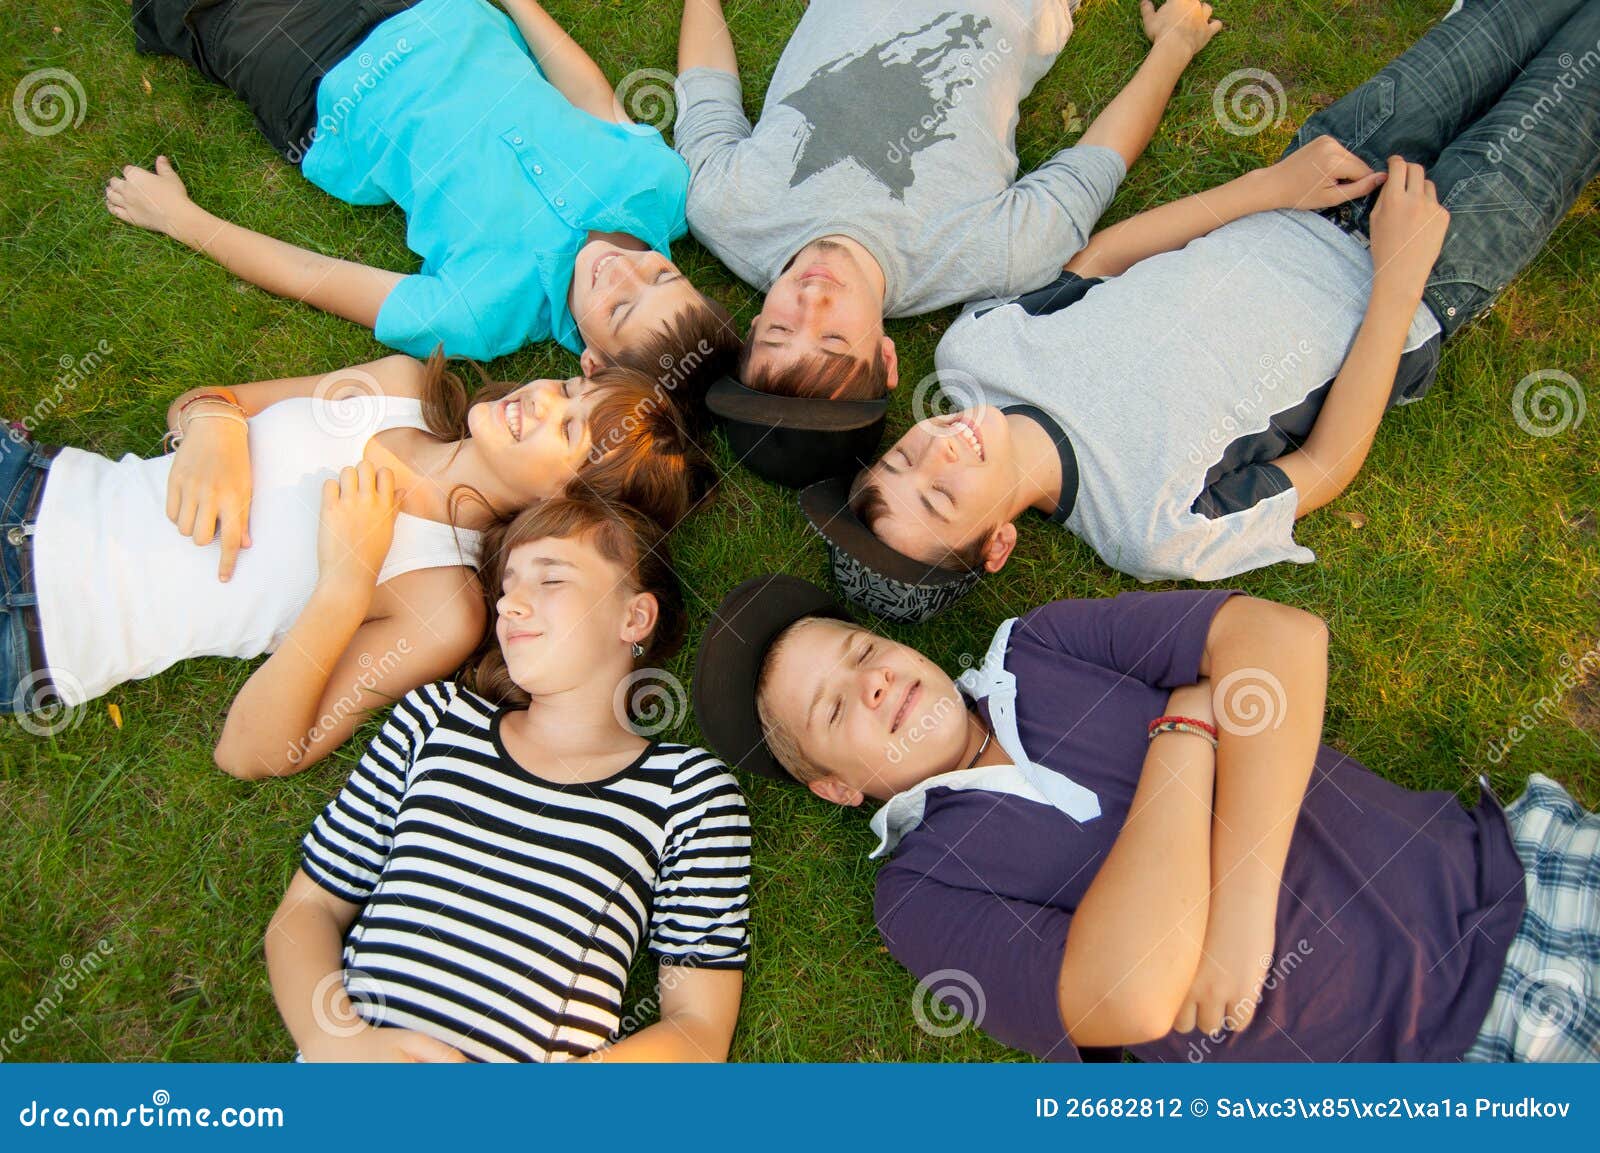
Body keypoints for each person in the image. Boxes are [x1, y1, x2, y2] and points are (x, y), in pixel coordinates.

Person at [803, 0, 1600, 618]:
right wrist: (1399, 274)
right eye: (943, 497)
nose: (938, 453)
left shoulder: (974, 357)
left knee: (1507, 19)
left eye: (903, 459)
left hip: (1314, 182)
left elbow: (1105, 258)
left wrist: (1275, 188)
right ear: (998, 544)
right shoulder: (1150, 529)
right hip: (1425, 273)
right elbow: (1323, 465)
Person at [694, 573, 1600, 1062]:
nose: (875, 680)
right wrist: (1185, 723)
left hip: (1505, 880)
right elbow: (1127, 993)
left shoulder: (1039, 645)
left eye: (862, 649)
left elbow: (1280, 641)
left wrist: (1240, 918)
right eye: (835, 708)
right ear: (837, 787)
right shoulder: (920, 891)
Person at [0, 351, 708, 778]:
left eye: (568, 427)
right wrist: (213, 425)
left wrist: (346, 579)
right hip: (33, 478)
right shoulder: (396, 388)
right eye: (567, 387)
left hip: (37, 627)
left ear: (568, 503)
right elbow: (210, 401)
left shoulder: (441, 604)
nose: (542, 397)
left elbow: (255, 750)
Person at [268, 497, 751, 1062]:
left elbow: (698, 1027)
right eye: (506, 587)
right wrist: (331, 1037)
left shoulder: (688, 791)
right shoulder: (434, 719)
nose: (512, 605)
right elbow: (308, 909)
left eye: (550, 579)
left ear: (634, 618)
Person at [116, 0, 738, 387]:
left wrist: (182, 219)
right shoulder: (659, 190)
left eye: (620, 310)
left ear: (593, 364)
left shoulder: (481, 315)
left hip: (319, 72)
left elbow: (317, 275)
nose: (624, 272)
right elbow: (590, 98)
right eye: (663, 279)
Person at [674, 0, 1222, 400]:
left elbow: (705, 90)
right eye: (835, 337)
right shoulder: (988, 256)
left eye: (779, 330)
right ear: (886, 355)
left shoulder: (724, 208)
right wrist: (1175, 44)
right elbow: (1094, 166)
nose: (811, 304)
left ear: (752, 327)